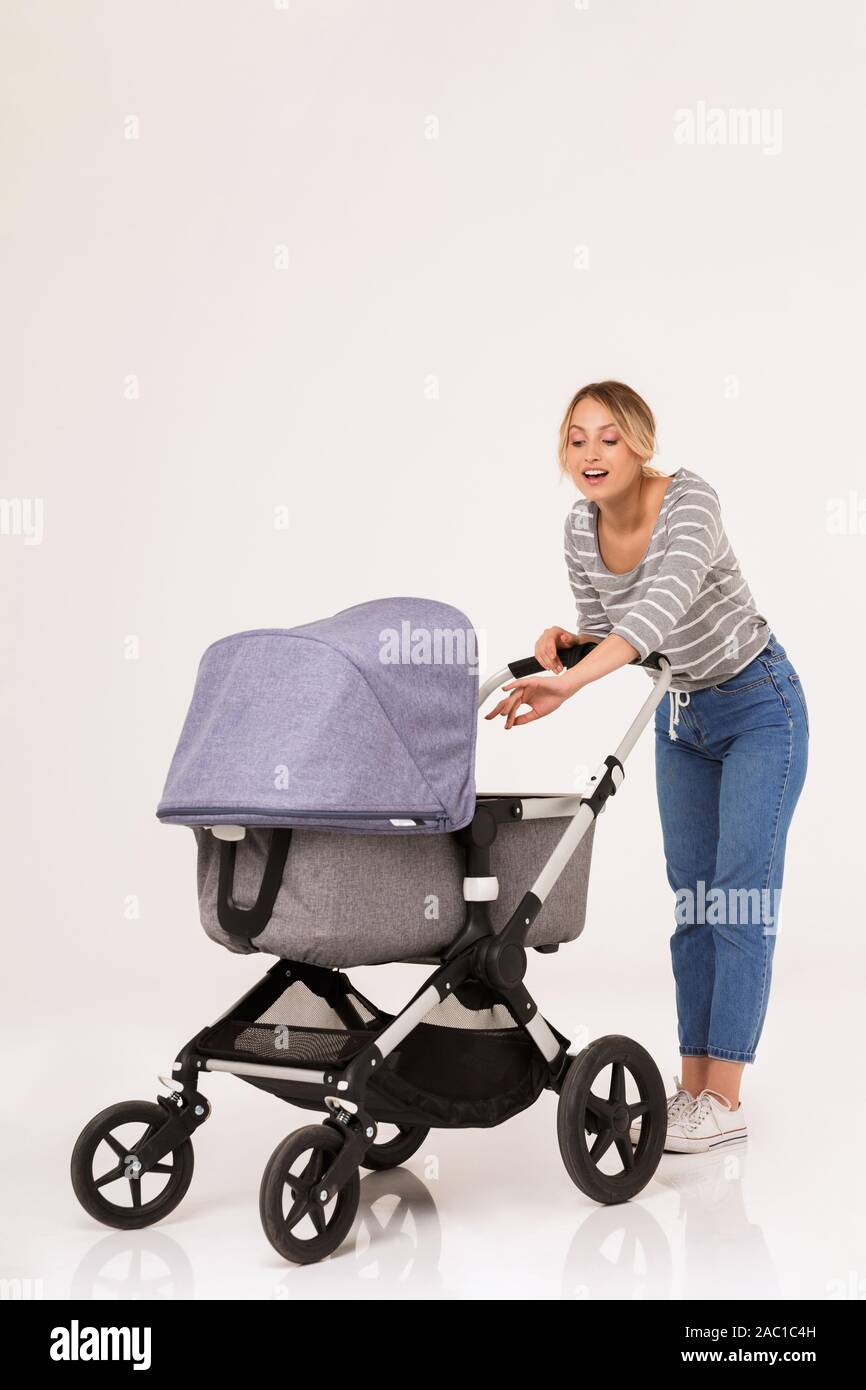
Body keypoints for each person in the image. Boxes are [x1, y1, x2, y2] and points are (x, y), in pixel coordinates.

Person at [485, 381, 809, 1153]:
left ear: (641, 443)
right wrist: (568, 644)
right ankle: (692, 1083)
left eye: (609, 438)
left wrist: (572, 678)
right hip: (682, 717)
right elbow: (609, 629)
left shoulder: (691, 501)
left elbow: (654, 613)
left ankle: (723, 1097)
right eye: (575, 439)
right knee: (693, 901)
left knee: (737, 900)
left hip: (760, 706)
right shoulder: (578, 528)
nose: (591, 454)